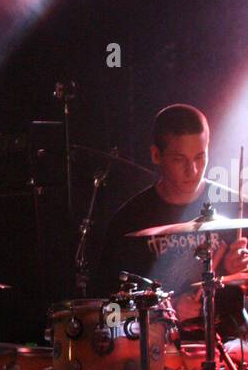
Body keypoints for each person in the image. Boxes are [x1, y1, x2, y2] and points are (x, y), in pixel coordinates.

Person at [93, 104, 248, 324]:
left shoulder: (237, 208)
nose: (192, 170)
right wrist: (167, 309)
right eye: (179, 159)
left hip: (227, 346)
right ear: (156, 155)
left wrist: (236, 272)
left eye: (199, 157)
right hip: (156, 349)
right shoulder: (129, 220)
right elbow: (110, 310)